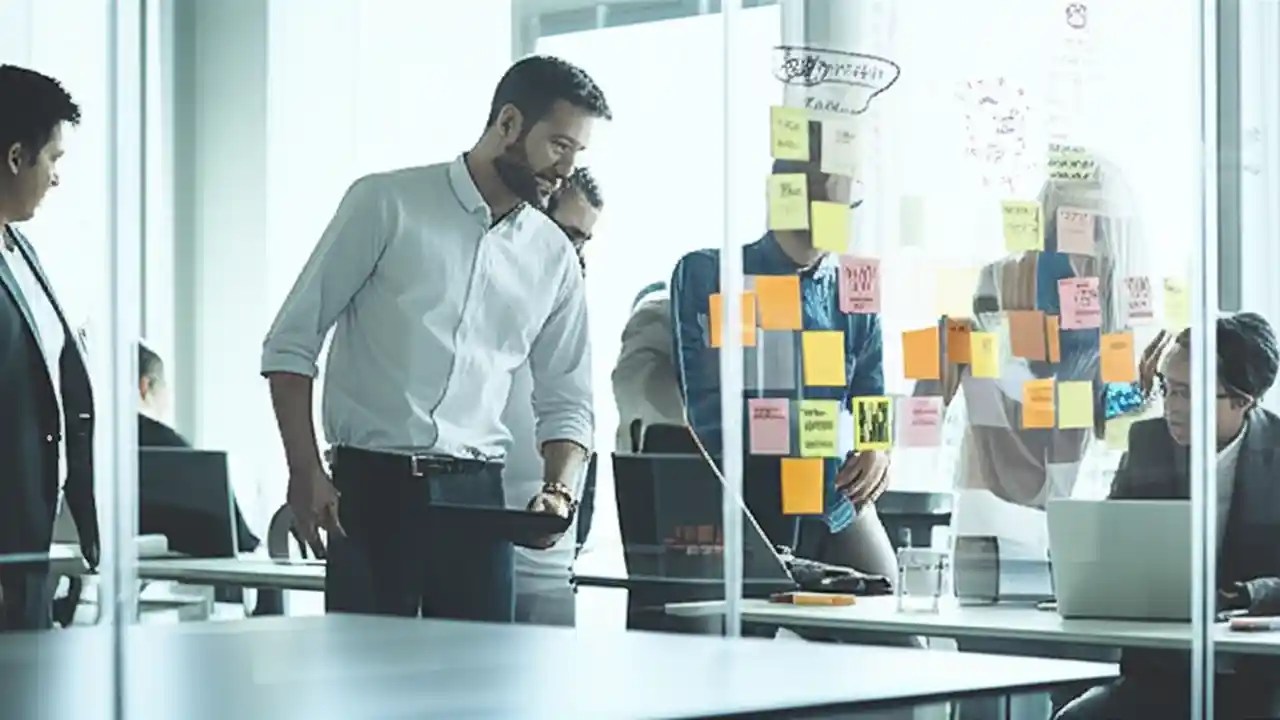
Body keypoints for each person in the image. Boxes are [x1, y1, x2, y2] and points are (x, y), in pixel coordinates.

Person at [261, 55, 610, 623]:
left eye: (577, 154)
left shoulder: (553, 258)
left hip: (480, 499)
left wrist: (559, 492)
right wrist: (304, 470)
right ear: (509, 124)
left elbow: (569, 402)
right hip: (369, 492)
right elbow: (290, 344)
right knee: (363, 689)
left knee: (478, 697)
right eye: (558, 146)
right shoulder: (384, 203)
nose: (566, 170)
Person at [670, 117, 896, 577]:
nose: (835, 200)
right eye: (821, 187)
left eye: (845, 191)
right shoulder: (709, 273)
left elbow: (871, 392)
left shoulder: (854, 287)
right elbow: (704, 410)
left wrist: (877, 449)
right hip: (742, 497)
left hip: (832, 498)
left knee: (894, 618)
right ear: (784, 193)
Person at [1057, 314, 1280, 720]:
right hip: (1161, 673)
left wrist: (1248, 595)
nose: (1170, 406)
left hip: (1259, 679)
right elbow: (1109, 542)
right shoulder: (1149, 443)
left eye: (1186, 393)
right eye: (1167, 388)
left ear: (1241, 400)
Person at [0, 65, 99, 630]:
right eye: (53, 160)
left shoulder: (22, 249)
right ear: (16, 157)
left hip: (29, 540)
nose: (56, 177)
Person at [501, 167, 604, 627]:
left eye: (584, 240)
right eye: (568, 234)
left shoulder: (567, 301)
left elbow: (572, 407)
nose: (575, 252)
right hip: (483, 535)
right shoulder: (497, 287)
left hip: (550, 547)